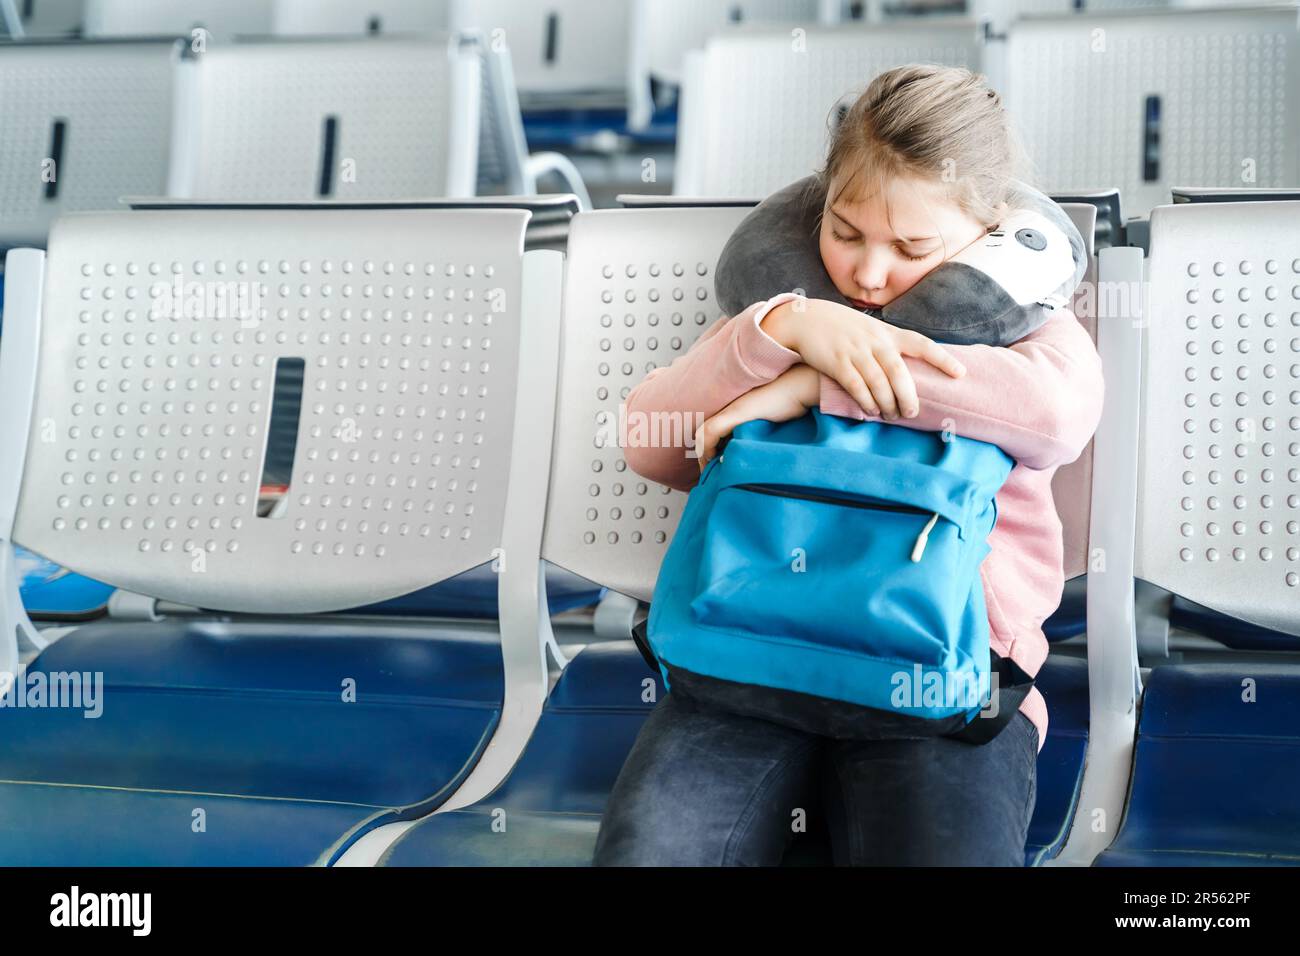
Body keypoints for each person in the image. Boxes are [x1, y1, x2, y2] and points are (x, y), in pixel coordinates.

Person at [592, 64, 1105, 866]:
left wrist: (811, 385)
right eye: (844, 231)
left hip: (948, 676)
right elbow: (648, 442)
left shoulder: (1027, 322)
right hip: (744, 658)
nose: (867, 273)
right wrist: (780, 329)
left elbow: (1054, 417)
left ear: (988, 228)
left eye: (911, 247)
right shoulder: (778, 312)